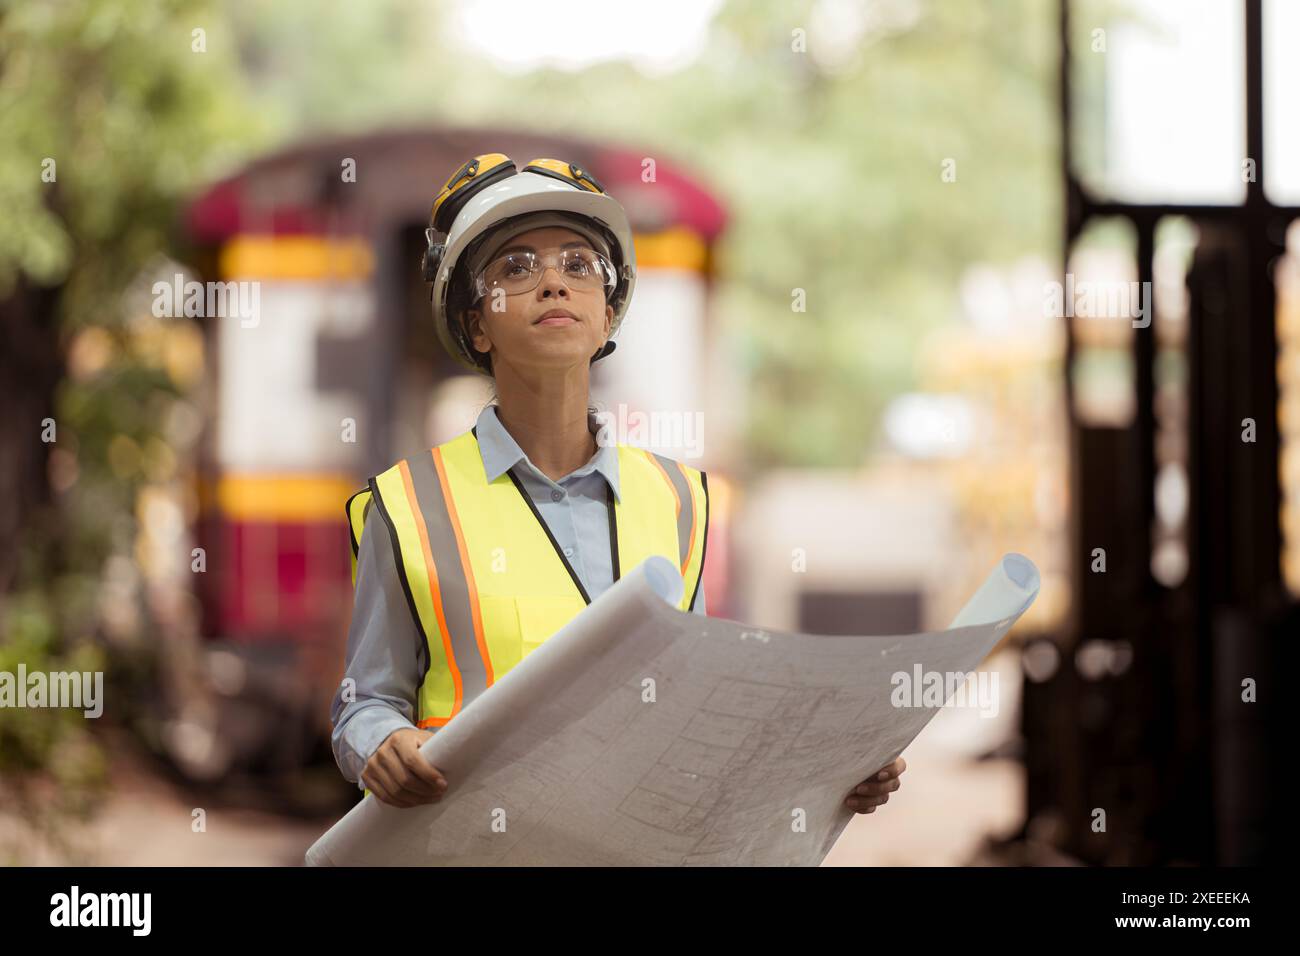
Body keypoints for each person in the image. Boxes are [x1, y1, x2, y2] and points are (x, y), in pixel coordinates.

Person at [329, 153, 906, 817]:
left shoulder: (680, 499)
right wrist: (382, 740)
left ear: (607, 316)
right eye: (515, 267)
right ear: (476, 324)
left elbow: (696, 710)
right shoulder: (407, 507)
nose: (553, 283)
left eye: (579, 265)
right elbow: (363, 702)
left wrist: (829, 765)